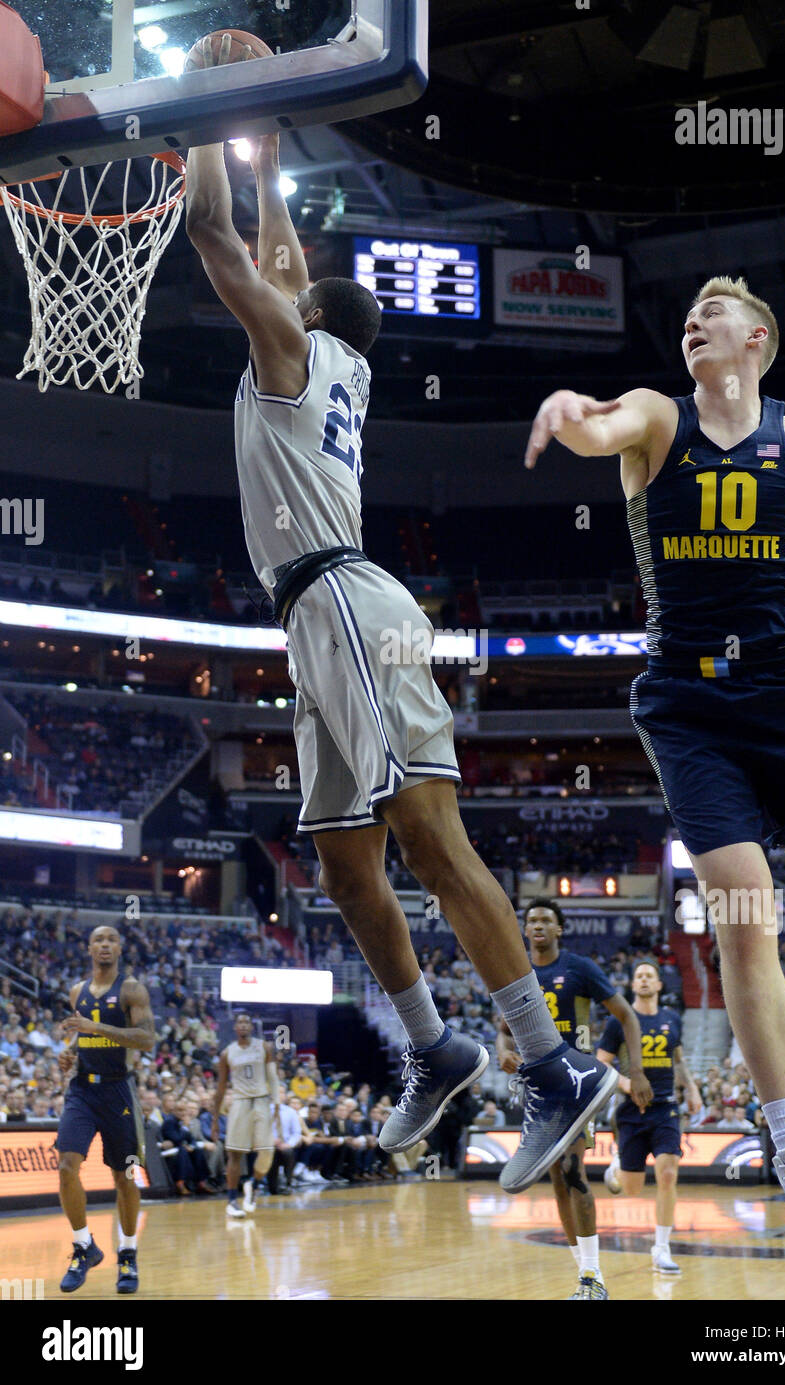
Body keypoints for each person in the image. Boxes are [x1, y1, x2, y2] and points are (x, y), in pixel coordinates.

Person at [184, 38, 618, 1197]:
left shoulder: (287, 348)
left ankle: (551, 1065)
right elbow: (275, 246)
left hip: (346, 601)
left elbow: (222, 242)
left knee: (428, 839)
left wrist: (197, 116)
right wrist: (264, 143)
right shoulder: (328, 359)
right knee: (342, 862)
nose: (282, 276)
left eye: (292, 282)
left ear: (302, 312)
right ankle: (438, 1046)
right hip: (315, 614)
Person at [526, 273, 785, 1274]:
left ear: (755, 336)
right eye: (687, 315)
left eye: (713, 311)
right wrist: (571, 414)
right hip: (687, 703)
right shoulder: (652, 418)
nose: (694, 319)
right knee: (740, 914)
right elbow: (602, 425)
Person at [497, 899, 652, 1300]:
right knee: (556, 1178)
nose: (538, 925)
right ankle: (584, 1274)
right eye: (531, 920)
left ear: (560, 929)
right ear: (525, 929)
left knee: (570, 1168)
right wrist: (502, 1050)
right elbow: (503, 1029)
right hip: (538, 1088)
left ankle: (592, 1277)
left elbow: (626, 1016)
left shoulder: (579, 968)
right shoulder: (517, 970)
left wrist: (634, 1070)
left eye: (546, 920)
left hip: (577, 1082)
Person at [55, 925, 154, 1294]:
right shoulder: (77, 991)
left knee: (124, 1176)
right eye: (98, 940)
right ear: (89, 948)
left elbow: (146, 1039)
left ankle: (127, 1254)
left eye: (111, 939)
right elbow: (80, 1037)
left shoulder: (131, 990)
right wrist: (69, 1055)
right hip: (82, 1089)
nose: (105, 945)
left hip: (118, 1090)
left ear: (119, 947)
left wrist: (94, 1026)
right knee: (66, 1165)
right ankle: (84, 1246)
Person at [597, 960, 701, 1274]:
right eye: (638, 975)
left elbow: (679, 1061)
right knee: (631, 1189)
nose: (643, 979)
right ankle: (617, 1169)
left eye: (649, 976)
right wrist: (626, 1084)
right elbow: (601, 1064)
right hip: (631, 1111)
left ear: (658, 985)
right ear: (632, 985)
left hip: (666, 1107)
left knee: (668, 1174)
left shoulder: (672, 1019)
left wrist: (693, 1089)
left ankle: (662, 1248)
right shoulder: (619, 1021)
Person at [211, 1012, 280, 1216]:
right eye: (239, 1022)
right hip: (239, 1102)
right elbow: (221, 1087)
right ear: (235, 1028)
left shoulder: (264, 1047)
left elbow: (274, 1078)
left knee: (267, 1152)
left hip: (261, 1099)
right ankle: (232, 1200)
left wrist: (276, 1104)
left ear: (251, 1026)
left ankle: (254, 1185)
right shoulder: (227, 1053)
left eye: (246, 1022)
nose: (243, 1025)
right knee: (235, 1153)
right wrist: (215, 1118)